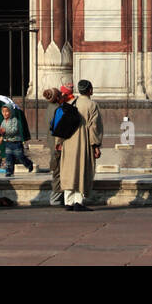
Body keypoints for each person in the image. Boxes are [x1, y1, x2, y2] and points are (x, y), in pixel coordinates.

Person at [59, 79, 102, 211]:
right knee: (82, 169)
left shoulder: (70, 103)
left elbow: (61, 123)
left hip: (68, 141)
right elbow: (94, 127)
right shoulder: (92, 105)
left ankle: (68, 201)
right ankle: (78, 202)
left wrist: (59, 142)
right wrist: (95, 145)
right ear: (90, 90)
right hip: (84, 142)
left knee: (69, 170)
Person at [42, 88, 66, 206]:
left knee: (57, 168)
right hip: (57, 142)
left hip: (52, 141)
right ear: (57, 97)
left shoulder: (50, 108)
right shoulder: (57, 109)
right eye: (60, 95)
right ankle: (55, 197)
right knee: (58, 169)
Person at [0, 104, 34, 178]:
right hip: (8, 143)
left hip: (16, 143)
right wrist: (0, 135)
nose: (5, 113)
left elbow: (14, 130)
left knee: (20, 156)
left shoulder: (14, 120)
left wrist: (5, 131)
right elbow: (2, 131)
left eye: (7, 111)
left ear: (11, 112)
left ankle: (28, 164)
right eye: (3, 111)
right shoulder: (3, 122)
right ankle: (9, 171)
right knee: (9, 159)